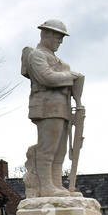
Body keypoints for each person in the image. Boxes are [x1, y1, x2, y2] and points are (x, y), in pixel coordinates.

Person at [22, 19, 84, 198]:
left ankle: (56, 185)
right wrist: (71, 76)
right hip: (46, 107)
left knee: (60, 150)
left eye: (62, 38)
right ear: (46, 34)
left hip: (62, 107)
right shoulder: (37, 55)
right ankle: (45, 187)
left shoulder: (57, 59)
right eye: (58, 37)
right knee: (48, 148)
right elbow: (47, 78)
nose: (60, 41)